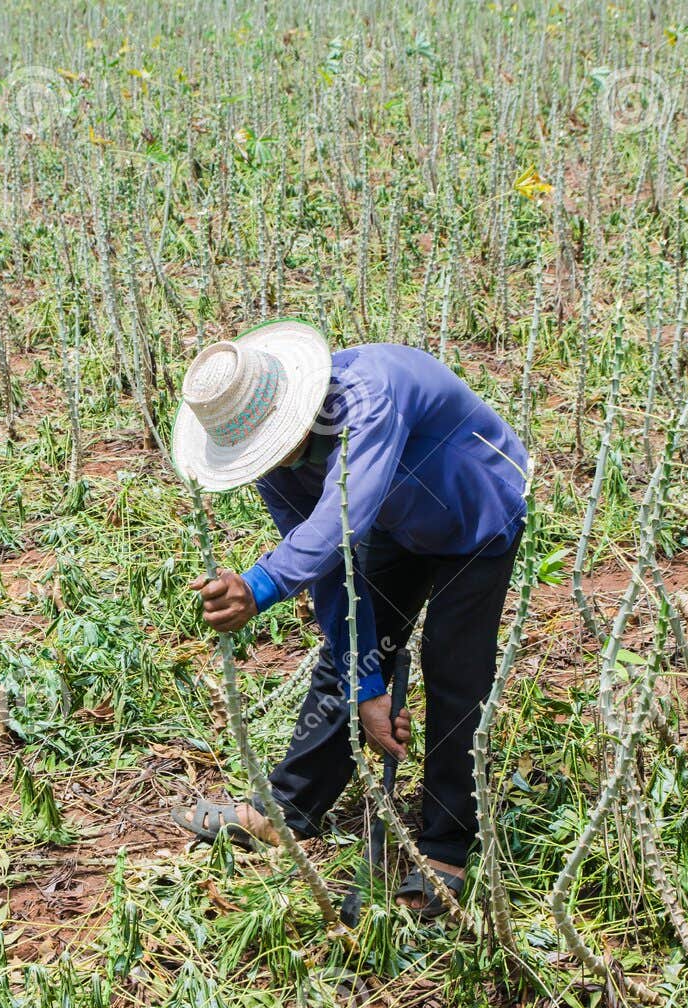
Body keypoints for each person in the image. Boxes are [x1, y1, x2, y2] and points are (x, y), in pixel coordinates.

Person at [169, 320, 529, 916]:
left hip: (475, 510)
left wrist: (257, 587)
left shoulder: (367, 397)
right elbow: (330, 573)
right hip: (396, 523)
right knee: (348, 655)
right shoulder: (277, 464)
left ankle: (446, 845)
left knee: (453, 667)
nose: (269, 461)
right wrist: (367, 686)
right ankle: (289, 807)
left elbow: (343, 518)